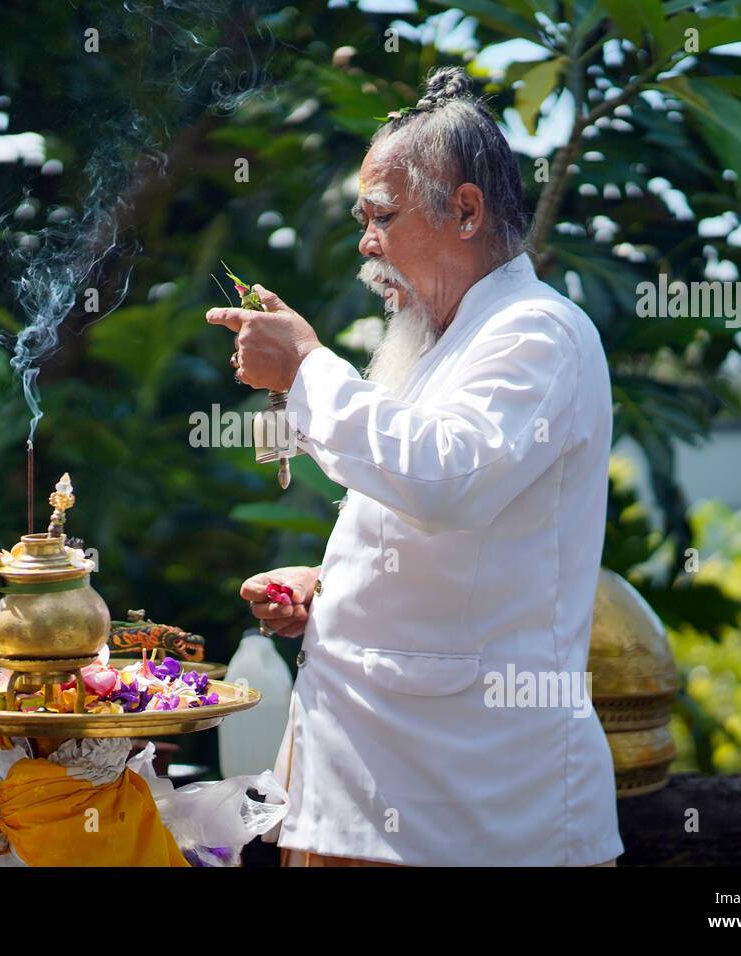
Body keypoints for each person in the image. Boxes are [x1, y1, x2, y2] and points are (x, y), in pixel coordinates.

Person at [205, 66, 622, 867]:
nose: (366, 243)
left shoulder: (538, 333)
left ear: (465, 210)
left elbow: (445, 481)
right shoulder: (450, 339)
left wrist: (305, 368)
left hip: (472, 819)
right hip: (371, 795)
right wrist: (331, 591)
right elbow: (453, 541)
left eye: (381, 217)